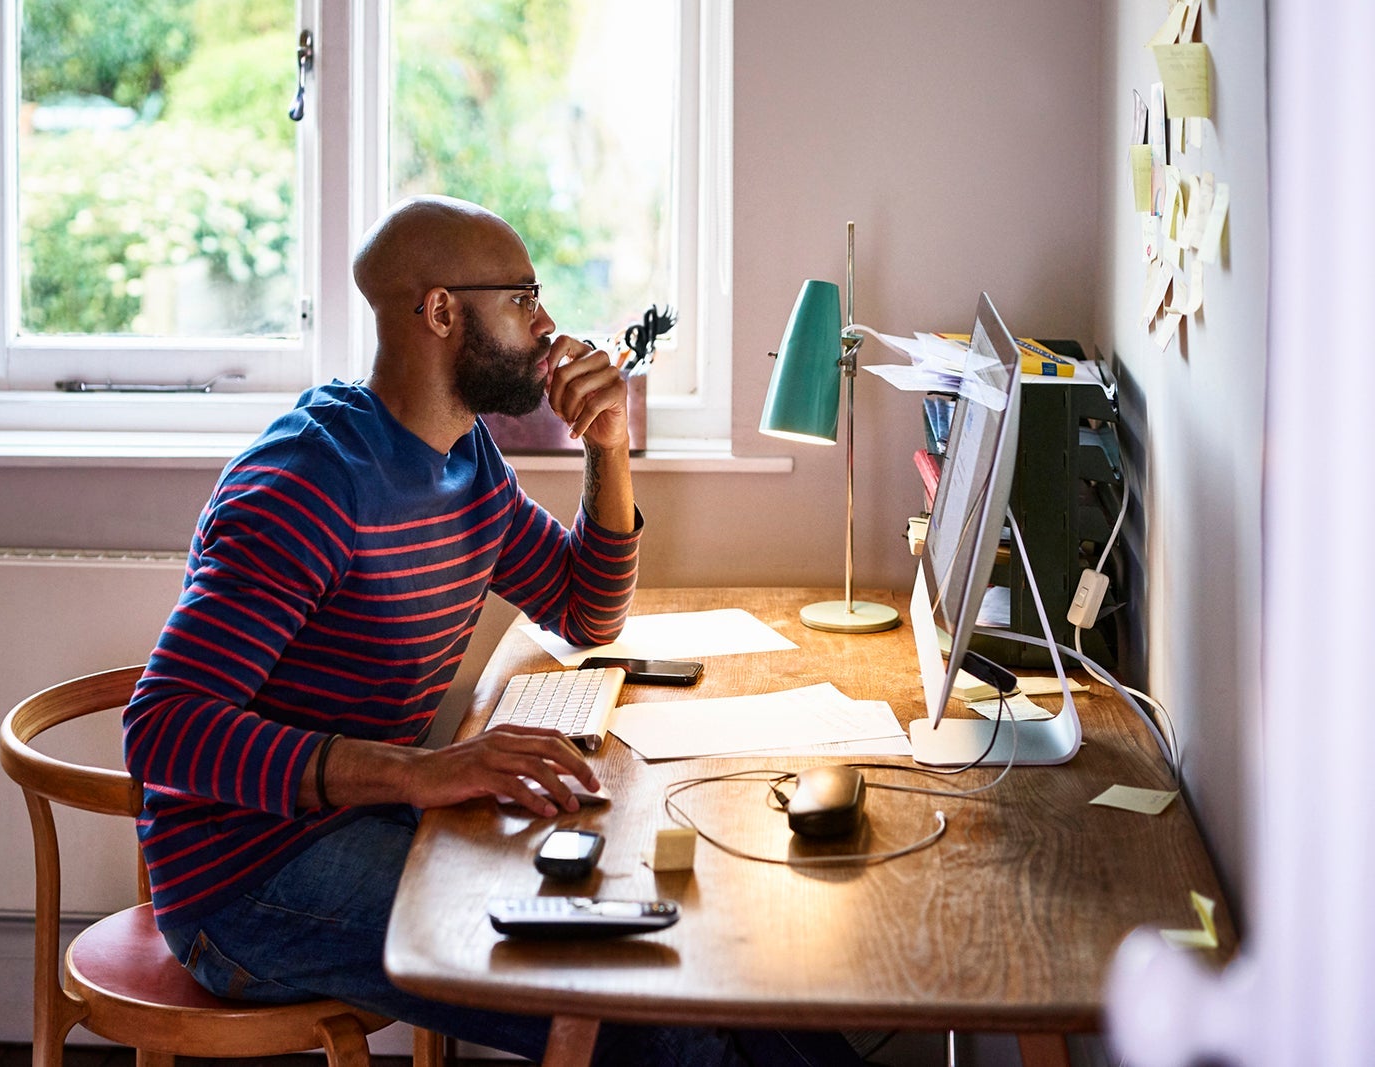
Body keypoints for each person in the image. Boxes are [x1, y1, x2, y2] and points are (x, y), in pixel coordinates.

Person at [123, 196, 863, 1066]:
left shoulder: (467, 461)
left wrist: (609, 445)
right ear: (441, 311)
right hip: (247, 881)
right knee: (656, 1015)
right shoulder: (308, 484)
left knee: (711, 953)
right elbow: (161, 730)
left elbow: (586, 612)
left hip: (370, 820)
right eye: (523, 297)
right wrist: (422, 771)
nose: (548, 324)